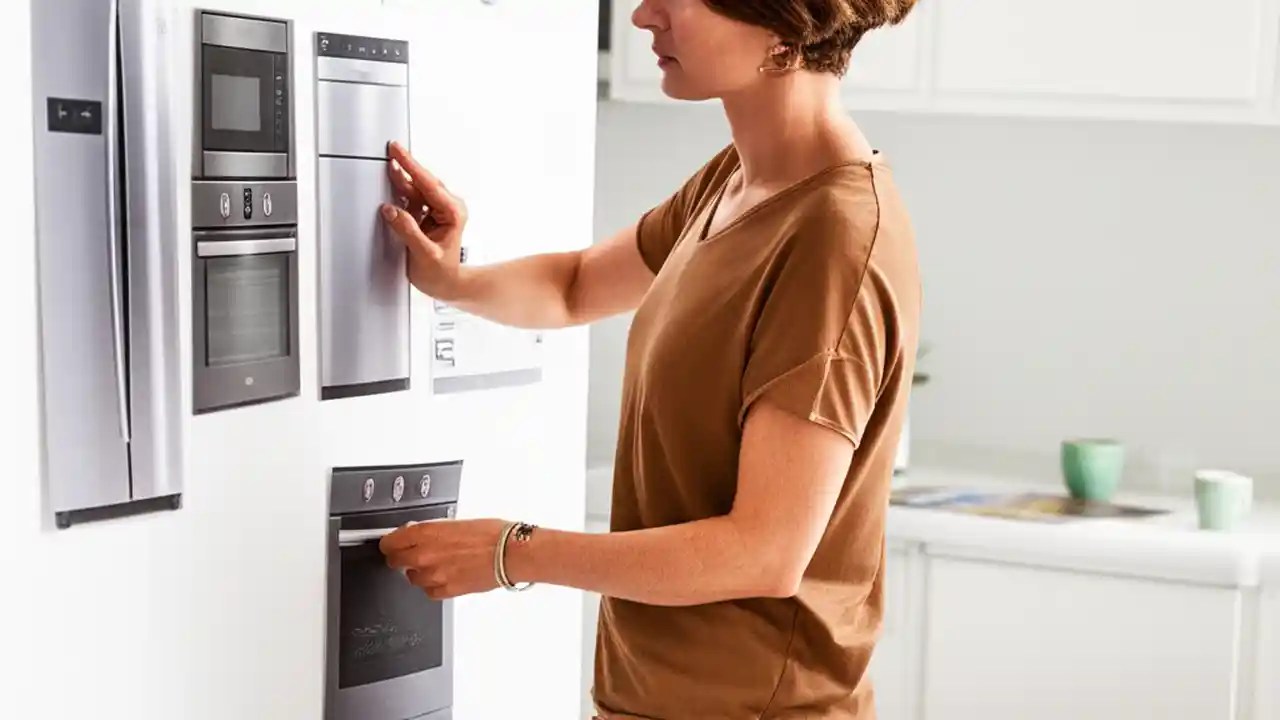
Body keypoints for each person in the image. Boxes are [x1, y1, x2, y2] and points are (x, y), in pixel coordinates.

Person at [377, 0, 922, 716]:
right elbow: (574, 288)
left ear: (780, 26)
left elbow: (764, 551)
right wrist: (452, 278)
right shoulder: (738, 180)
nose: (641, 16)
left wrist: (512, 552)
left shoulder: (832, 241)